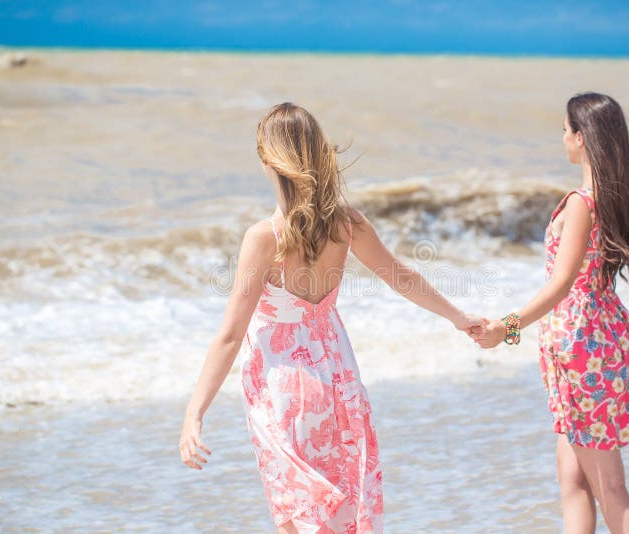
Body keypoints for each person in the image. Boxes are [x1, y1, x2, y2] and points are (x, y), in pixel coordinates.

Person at [179, 102, 481, 533]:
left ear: (267, 162)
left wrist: (194, 413)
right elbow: (401, 277)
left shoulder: (264, 237)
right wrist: (458, 317)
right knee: (340, 516)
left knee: (300, 516)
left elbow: (230, 336)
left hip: (284, 388)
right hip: (338, 379)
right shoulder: (346, 224)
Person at [475, 92, 629, 534]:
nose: (562, 138)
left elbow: (562, 284)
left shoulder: (582, 203)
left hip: (578, 349)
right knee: (574, 481)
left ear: (581, 137)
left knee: (610, 487)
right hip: (604, 341)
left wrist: (507, 327)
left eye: (565, 130)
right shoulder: (623, 200)